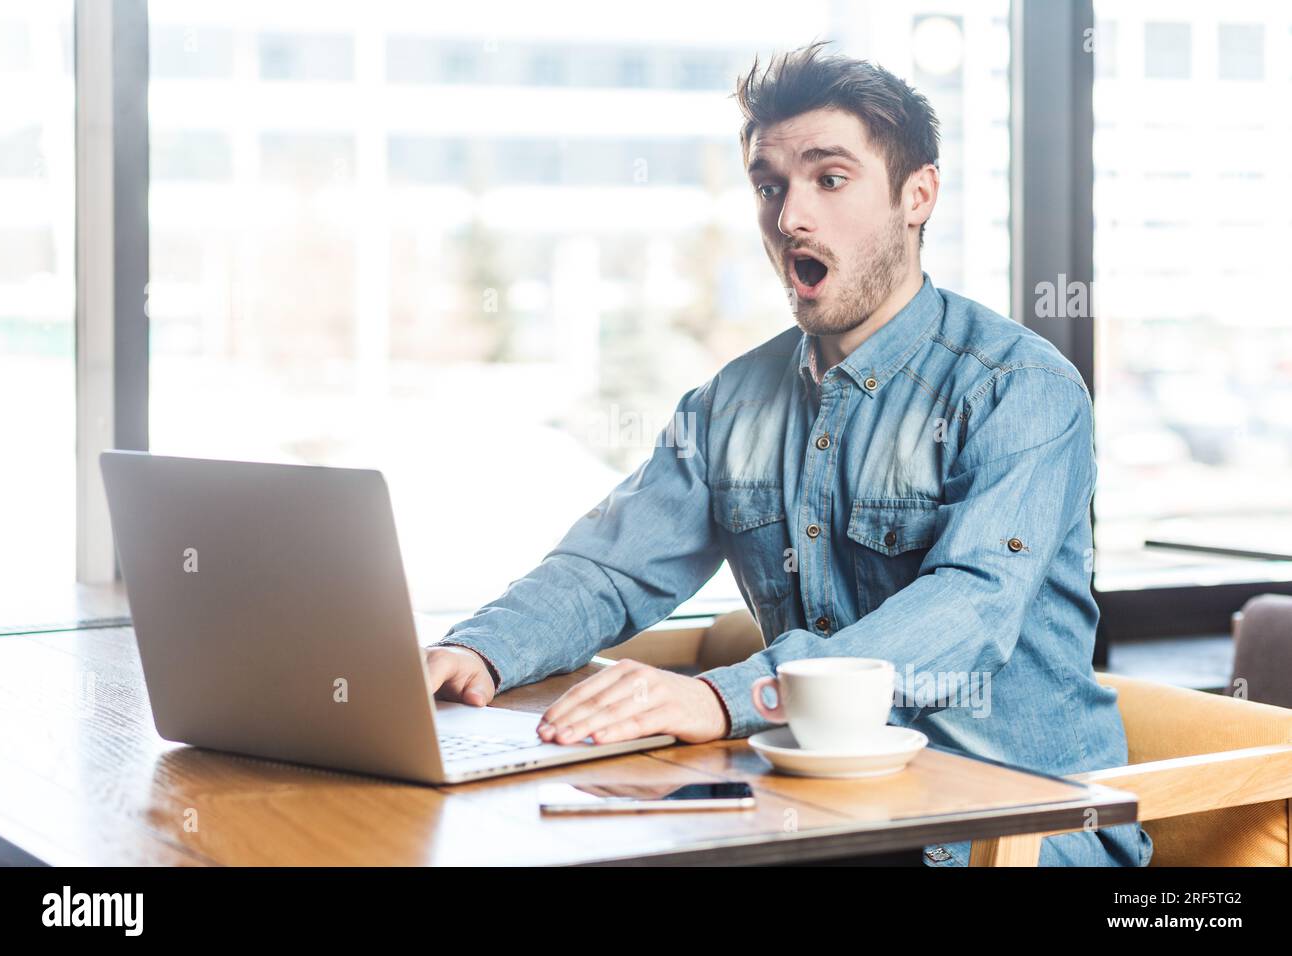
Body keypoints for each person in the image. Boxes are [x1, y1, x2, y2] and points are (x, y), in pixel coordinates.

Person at [425, 40, 1152, 868]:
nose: (790, 218)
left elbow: (971, 611)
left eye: (829, 179)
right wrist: (476, 651)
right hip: (825, 813)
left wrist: (727, 696)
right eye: (769, 186)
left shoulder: (1018, 388)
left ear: (918, 196)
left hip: (1020, 827)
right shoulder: (729, 403)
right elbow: (609, 569)